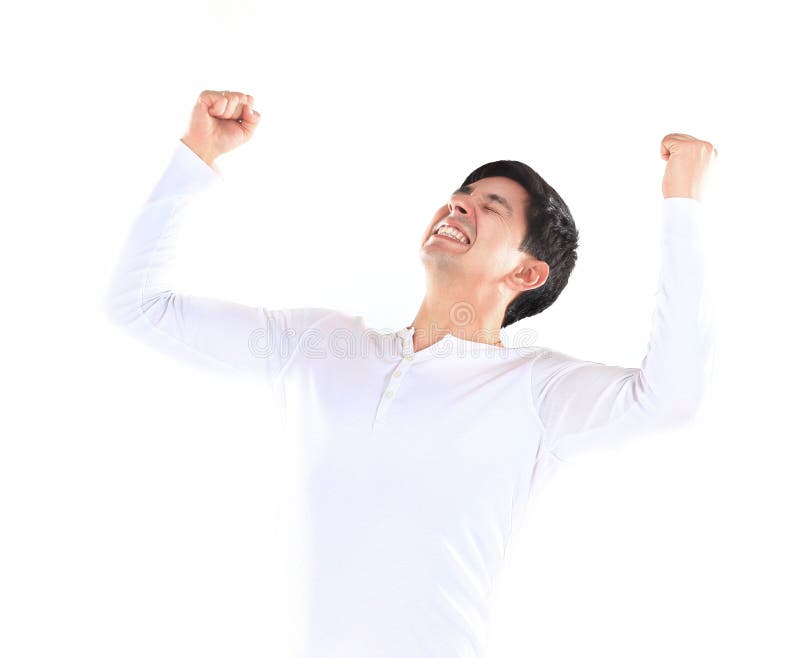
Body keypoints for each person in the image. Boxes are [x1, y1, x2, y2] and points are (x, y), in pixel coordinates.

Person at [104, 89, 716, 658]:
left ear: (528, 274)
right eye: (460, 195)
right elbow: (140, 307)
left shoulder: (535, 390)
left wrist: (681, 200)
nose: (459, 205)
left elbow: (670, 398)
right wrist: (197, 157)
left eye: (491, 206)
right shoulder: (320, 346)